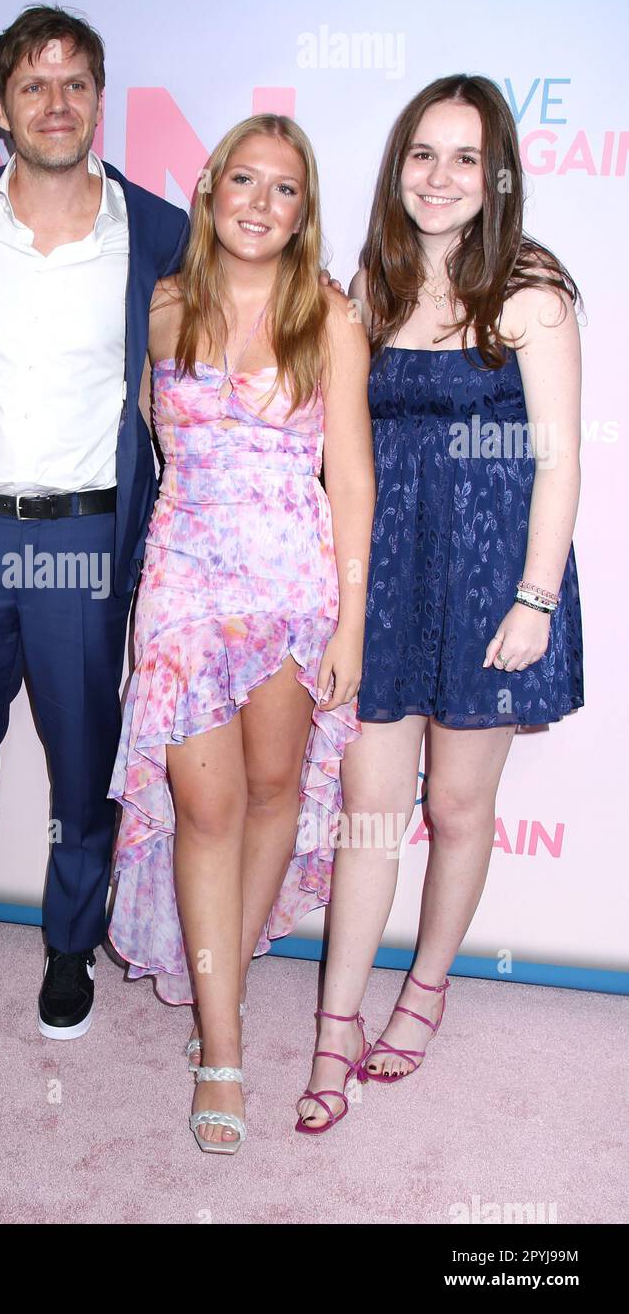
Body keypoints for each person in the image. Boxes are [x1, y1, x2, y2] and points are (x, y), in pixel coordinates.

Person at [295, 74, 583, 1133]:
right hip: (386, 577)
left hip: (489, 581)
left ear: (498, 173)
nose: (439, 175)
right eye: (423, 152)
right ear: (397, 164)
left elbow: (558, 461)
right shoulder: (365, 289)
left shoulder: (530, 291)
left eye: (464, 157)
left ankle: (424, 990)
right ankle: (334, 1025)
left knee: (454, 808)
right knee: (367, 810)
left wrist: (534, 597)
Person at [0, 5, 189, 1037]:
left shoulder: (160, 230)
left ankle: (70, 942)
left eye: (74, 84)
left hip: (83, 536)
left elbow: (233, 338)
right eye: (33, 84)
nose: (55, 103)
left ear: (100, 103)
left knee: (83, 756)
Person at [108, 115, 374, 1152]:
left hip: (294, 590)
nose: (261, 204)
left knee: (271, 794)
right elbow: (148, 448)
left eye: (286, 190)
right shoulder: (165, 308)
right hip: (182, 585)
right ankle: (220, 1050)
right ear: (211, 189)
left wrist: (348, 619)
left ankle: (228, 985)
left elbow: (349, 480)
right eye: (245, 181)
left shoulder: (329, 317)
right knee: (205, 807)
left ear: (304, 212)